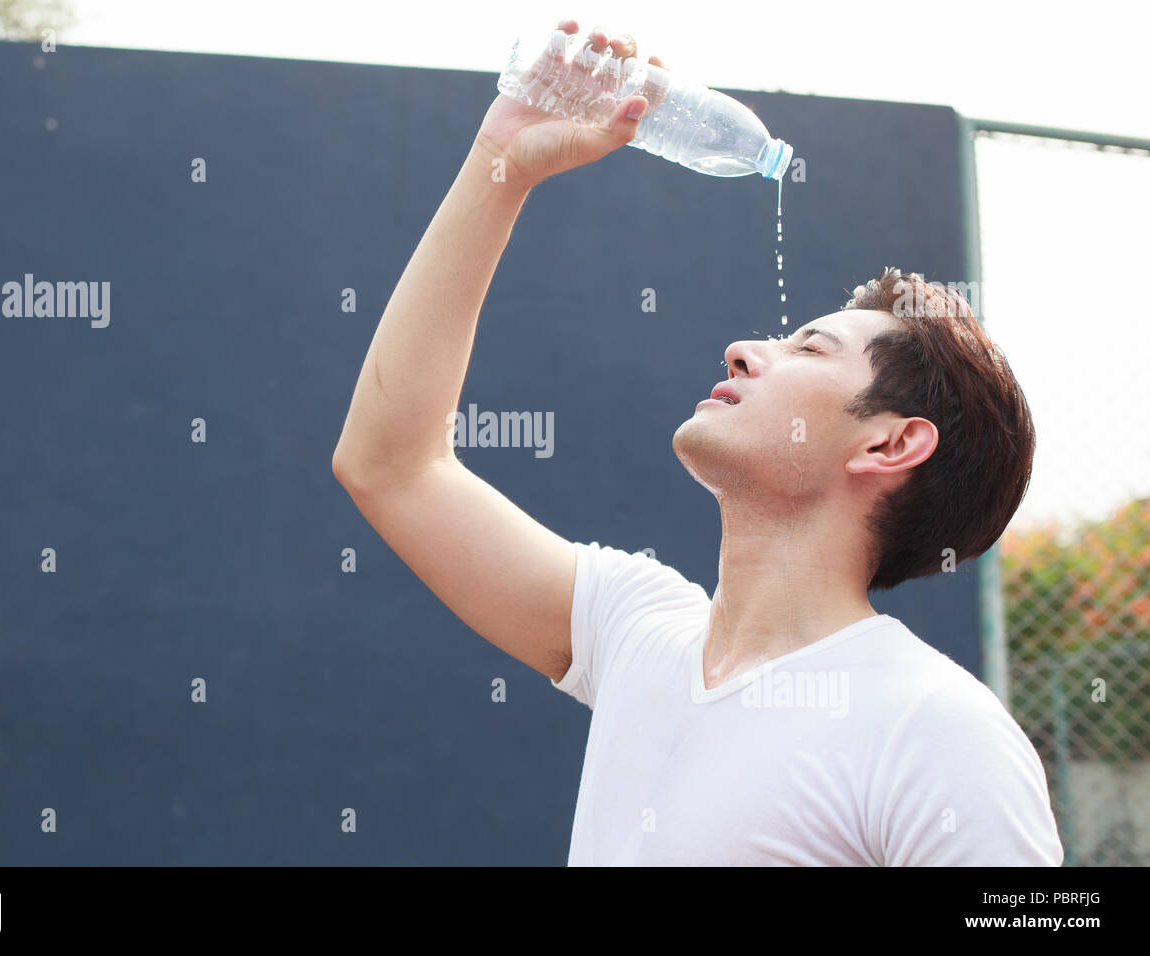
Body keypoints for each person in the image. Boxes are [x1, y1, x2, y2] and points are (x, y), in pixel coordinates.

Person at [332, 18, 1063, 866]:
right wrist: (504, 162)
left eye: (810, 347)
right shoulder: (637, 630)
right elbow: (391, 465)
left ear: (891, 444)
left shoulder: (936, 730)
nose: (745, 348)